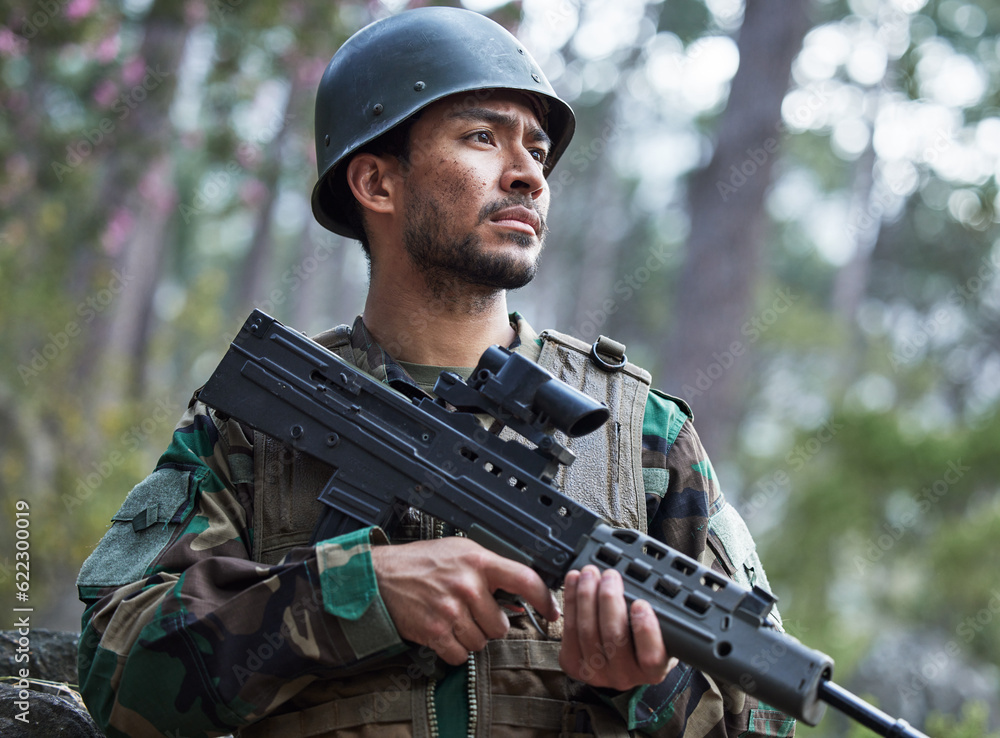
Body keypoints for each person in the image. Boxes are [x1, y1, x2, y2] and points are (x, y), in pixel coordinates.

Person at [77, 7, 792, 737]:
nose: (528, 175)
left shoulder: (639, 437)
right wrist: (352, 597)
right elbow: (115, 671)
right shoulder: (260, 423)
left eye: (539, 152)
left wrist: (650, 686)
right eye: (483, 137)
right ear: (376, 183)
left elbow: (765, 718)